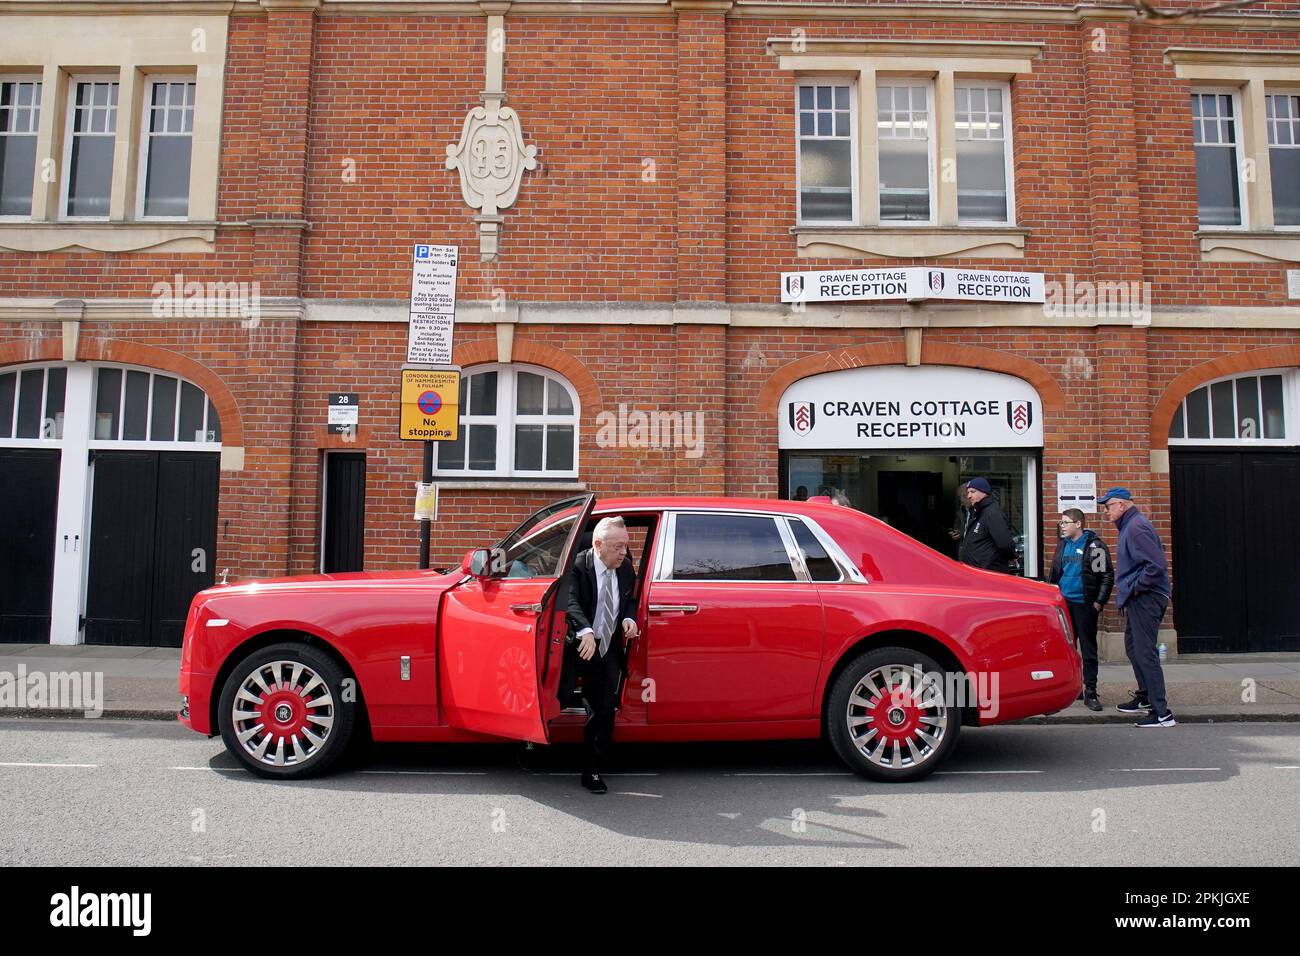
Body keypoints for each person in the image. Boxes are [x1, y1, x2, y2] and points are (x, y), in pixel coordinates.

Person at [564, 515, 639, 792]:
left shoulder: (626, 569)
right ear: (598, 544)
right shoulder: (577, 566)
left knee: (604, 708)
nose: (624, 552)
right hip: (578, 644)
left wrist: (628, 619)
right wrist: (584, 631)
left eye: (626, 546)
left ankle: (592, 769)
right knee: (556, 698)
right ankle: (531, 744)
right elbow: (569, 601)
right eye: (618, 547)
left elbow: (629, 600)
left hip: (607, 647)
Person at [1098, 487, 1175, 728]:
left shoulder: (1136, 527)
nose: (1107, 511)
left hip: (1147, 597)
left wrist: (1134, 587)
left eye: (1109, 506)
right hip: (1140, 596)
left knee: (1145, 652)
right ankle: (1145, 697)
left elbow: (1156, 565)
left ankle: (1161, 713)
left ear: (1122, 505)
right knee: (1133, 647)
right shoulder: (1130, 526)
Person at [1048, 508, 1114, 711]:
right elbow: (1055, 574)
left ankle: (1091, 691)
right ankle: (1073, 689)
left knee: (1088, 650)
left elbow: (1105, 575)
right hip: (1064, 605)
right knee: (1067, 650)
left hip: (1084, 605)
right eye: (1061, 522)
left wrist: (1098, 602)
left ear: (1078, 524)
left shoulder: (1094, 546)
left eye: (1066, 522)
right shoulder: (1063, 546)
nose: (1062, 526)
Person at [958, 477, 1015, 574]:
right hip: (977, 572)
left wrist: (1012, 556)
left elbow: (1005, 544)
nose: (969, 496)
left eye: (973, 492)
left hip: (988, 572)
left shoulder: (992, 513)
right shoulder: (979, 512)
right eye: (968, 492)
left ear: (983, 492)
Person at [947, 482, 972, 553]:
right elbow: (957, 527)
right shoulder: (961, 511)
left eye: (964, 496)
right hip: (962, 550)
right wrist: (957, 533)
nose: (962, 500)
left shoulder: (979, 512)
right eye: (960, 496)